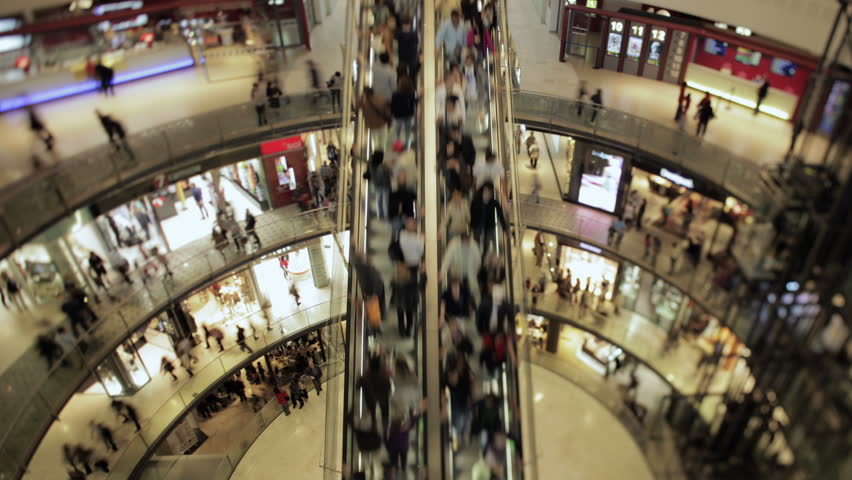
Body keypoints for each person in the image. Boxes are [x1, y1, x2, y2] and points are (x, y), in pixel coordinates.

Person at [470, 182, 507, 256]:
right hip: (478, 227)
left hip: (489, 228)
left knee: (486, 246)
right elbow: (472, 213)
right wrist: (472, 226)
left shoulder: (494, 203)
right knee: (476, 243)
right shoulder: (476, 201)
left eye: (490, 192)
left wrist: (505, 228)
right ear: (483, 191)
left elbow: (500, 215)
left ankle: (483, 258)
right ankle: (477, 257)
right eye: (486, 191)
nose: (488, 193)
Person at [359, 87, 392, 151]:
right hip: (382, 124)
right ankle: (382, 158)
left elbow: (357, 107)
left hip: (373, 126)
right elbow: (387, 112)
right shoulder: (380, 99)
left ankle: (378, 158)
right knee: (383, 144)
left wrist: (361, 98)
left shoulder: (364, 103)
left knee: (376, 146)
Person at [391, 75, 417, 146]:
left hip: (398, 115)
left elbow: (393, 105)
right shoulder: (412, 93)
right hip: (408, 114)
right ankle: (407, 145)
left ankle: (398, 143)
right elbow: (414, 103)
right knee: (407, 131)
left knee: (398, 131)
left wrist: (393, 113)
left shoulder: (395, 94)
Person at [366, 150, 391, 218]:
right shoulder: (381, 166)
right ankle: (385, 217)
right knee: (385, 202)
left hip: (378, 185)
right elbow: (386, 175)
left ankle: (380, 216)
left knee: (379, 202)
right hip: (384, 185)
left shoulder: (372, 165)